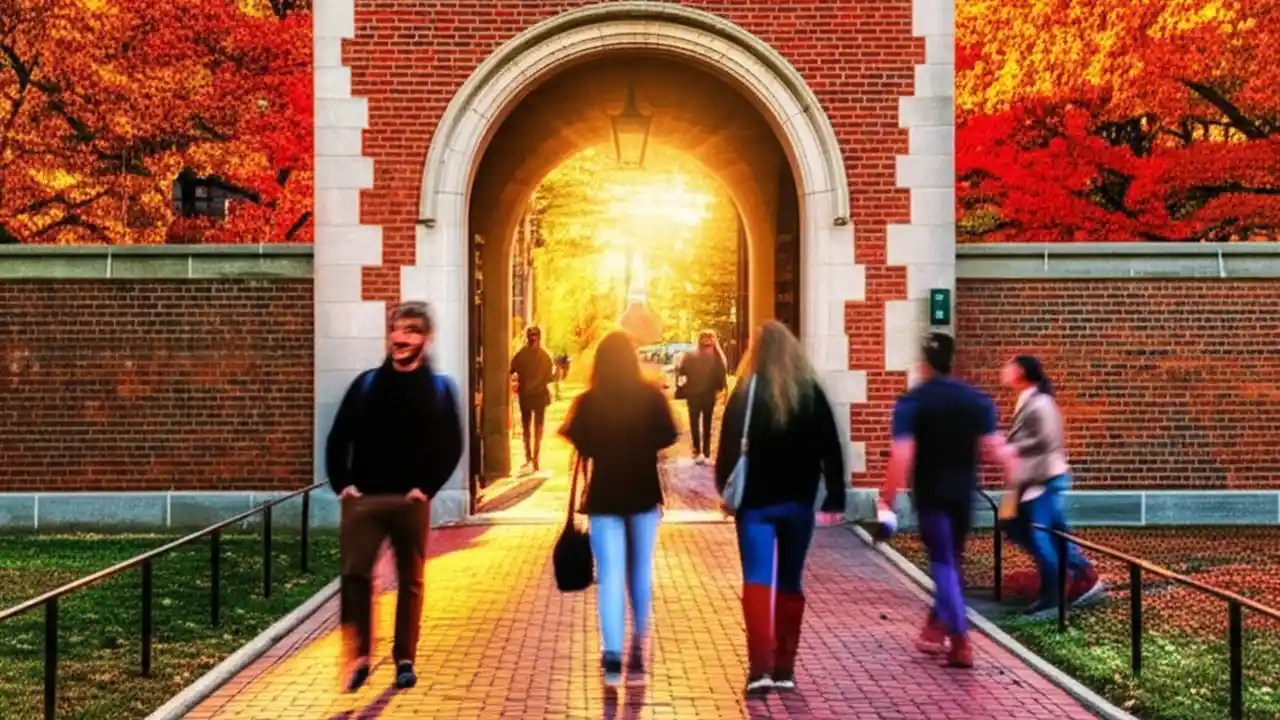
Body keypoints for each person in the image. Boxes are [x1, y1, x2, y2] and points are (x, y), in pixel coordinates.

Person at [324, 301, 464, 692]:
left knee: (411, 581)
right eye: (397, 329)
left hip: (411, 503)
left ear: (427, 338)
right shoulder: (366, 385)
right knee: (354, 577)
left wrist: (428, 487)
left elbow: (452, 444)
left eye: (412, 330)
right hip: (364, 500)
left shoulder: (438, 389)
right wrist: (342, 485)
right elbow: (339, 436)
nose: (402, 338)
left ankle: (404, 658)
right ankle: (360, 658)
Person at [714, 321, 847, 694]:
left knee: (757, 581)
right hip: (798, 504)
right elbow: (830, 446)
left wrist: (724, 489)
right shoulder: (809, 392)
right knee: (790, 582)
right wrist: (835, 494)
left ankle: (760, 667)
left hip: (755, 503)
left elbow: (727, 447)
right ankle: (785, 668)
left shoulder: (746, 391)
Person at [879, 331, 1017, 669]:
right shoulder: (975, 400)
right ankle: (934, 628)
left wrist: (886, 501)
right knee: (951, 564)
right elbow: (996, 450)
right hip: (964, 496)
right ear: (951, 361)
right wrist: (1016, 493)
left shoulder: (913, 402)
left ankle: (960, 641)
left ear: (924, 363)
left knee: (943, 565)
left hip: (932, 496)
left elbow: (902, 454)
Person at [560, 331, 678, 688]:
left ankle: (611, 654)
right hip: (643, 493)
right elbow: (668, 435)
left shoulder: (589, 402)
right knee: (640, 573)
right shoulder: (650, 398)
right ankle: (640, 641)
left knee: (610, 574)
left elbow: (579, 440)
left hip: (604, 496)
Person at [1000, 355, 1105, 617]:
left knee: (1039, 536)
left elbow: (1047, 441)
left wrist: (1011, 449)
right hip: (1036, 480)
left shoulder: (1041, 402)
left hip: (1044, 479)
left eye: (1011, 366)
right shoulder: (1028, 399)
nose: (1006, 370)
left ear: (1023, 372)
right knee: (1043, 532)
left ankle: (1054, 597)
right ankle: (1082, 578)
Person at [676, 330, 728, 464]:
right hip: (707, 394)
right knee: (706, 422)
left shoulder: (691, 355)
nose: (707, 341)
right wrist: (721, 389)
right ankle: (704, 452)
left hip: (696, 394)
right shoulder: (717, 356)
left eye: (709, 338)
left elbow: (681, 372)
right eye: (706, 338)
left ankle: (698, 450)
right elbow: (721, 374)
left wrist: (682, 388)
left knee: (697, 422)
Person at [509, 326, 554, 473]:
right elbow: (551, 376)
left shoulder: (523, 354)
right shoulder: (544, 356)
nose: (533, 339)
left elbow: (511, 369)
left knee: (530, 428)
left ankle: (532, 457)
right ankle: (533, 458)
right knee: (534, 428)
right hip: (535, 396)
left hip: (529, 396)